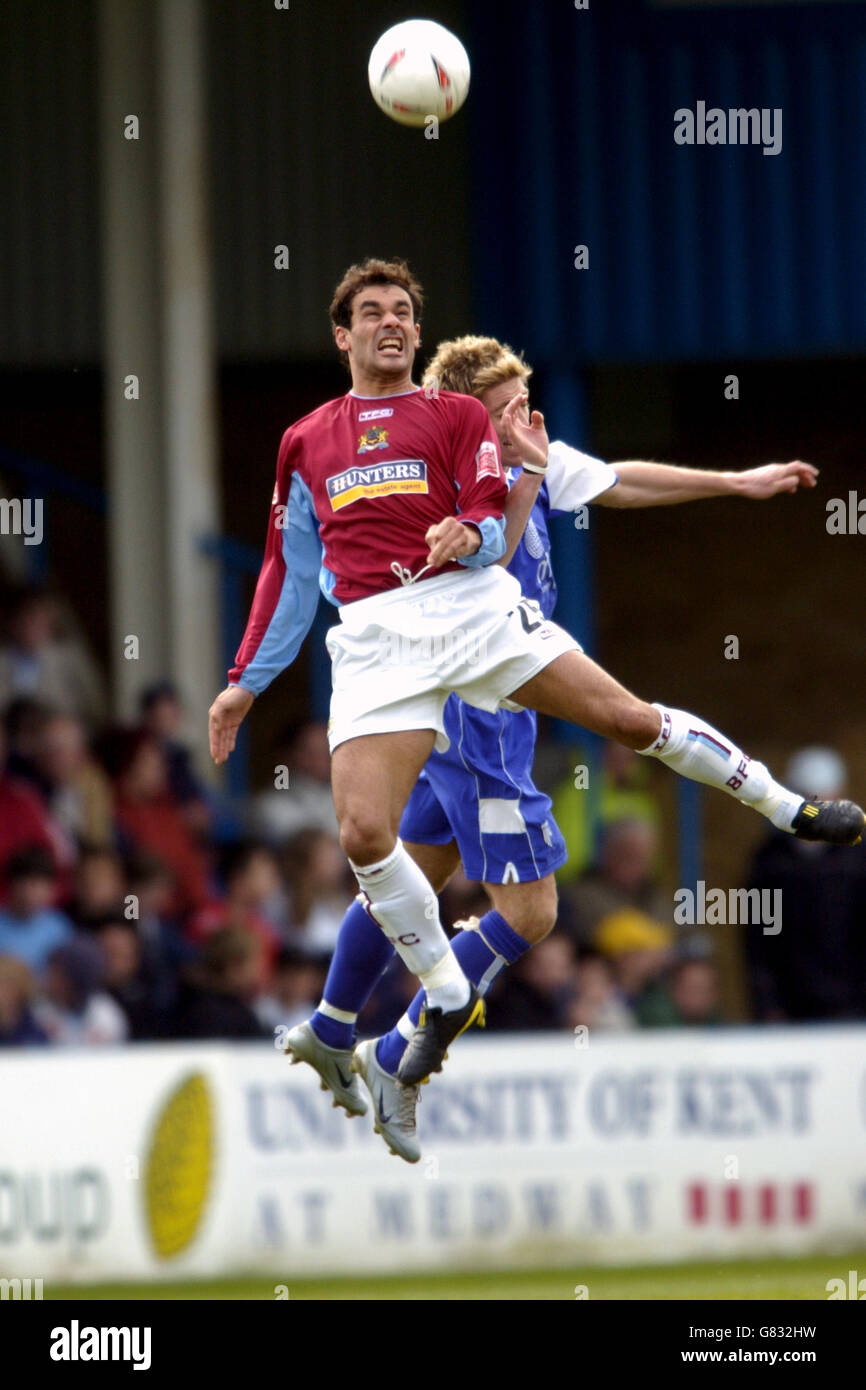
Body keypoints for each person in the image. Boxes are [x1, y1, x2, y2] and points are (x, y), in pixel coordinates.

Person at [207, 257, 864, 1117]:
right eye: (514, 406)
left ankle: (337, 1027)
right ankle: (406, 1039)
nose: (531, 419)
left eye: (405, 309)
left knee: (425, 858)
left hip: (485, 669)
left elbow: (619, 479)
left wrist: (734, 483)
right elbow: (460, 541)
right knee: (530, 908)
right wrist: (247, 681)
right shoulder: (465, 451)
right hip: (469, 710)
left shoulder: (516, 448)